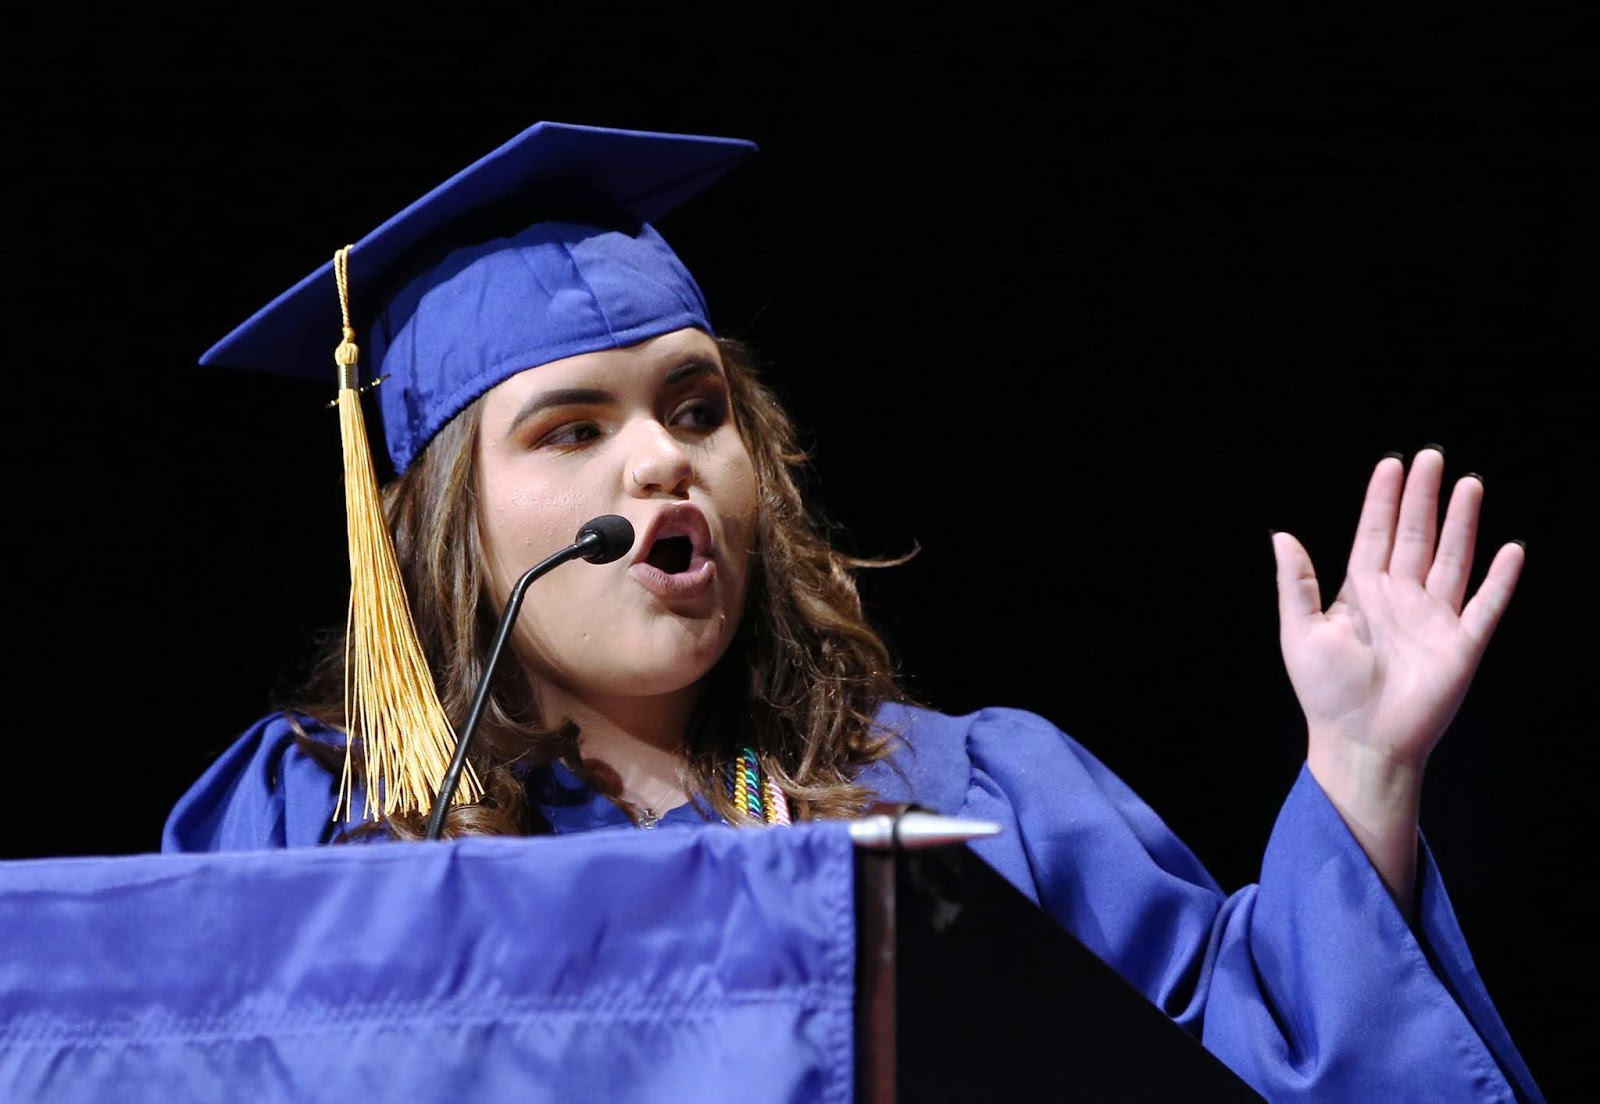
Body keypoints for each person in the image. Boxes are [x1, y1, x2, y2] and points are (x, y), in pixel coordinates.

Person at [162, 121, 1544, 1102]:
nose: (662, 461)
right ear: (442, 527)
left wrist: (1359, 771)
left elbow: (1233, 1060)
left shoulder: (964, 795)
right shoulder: (328, 817)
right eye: (571, 431)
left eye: (699, 410)